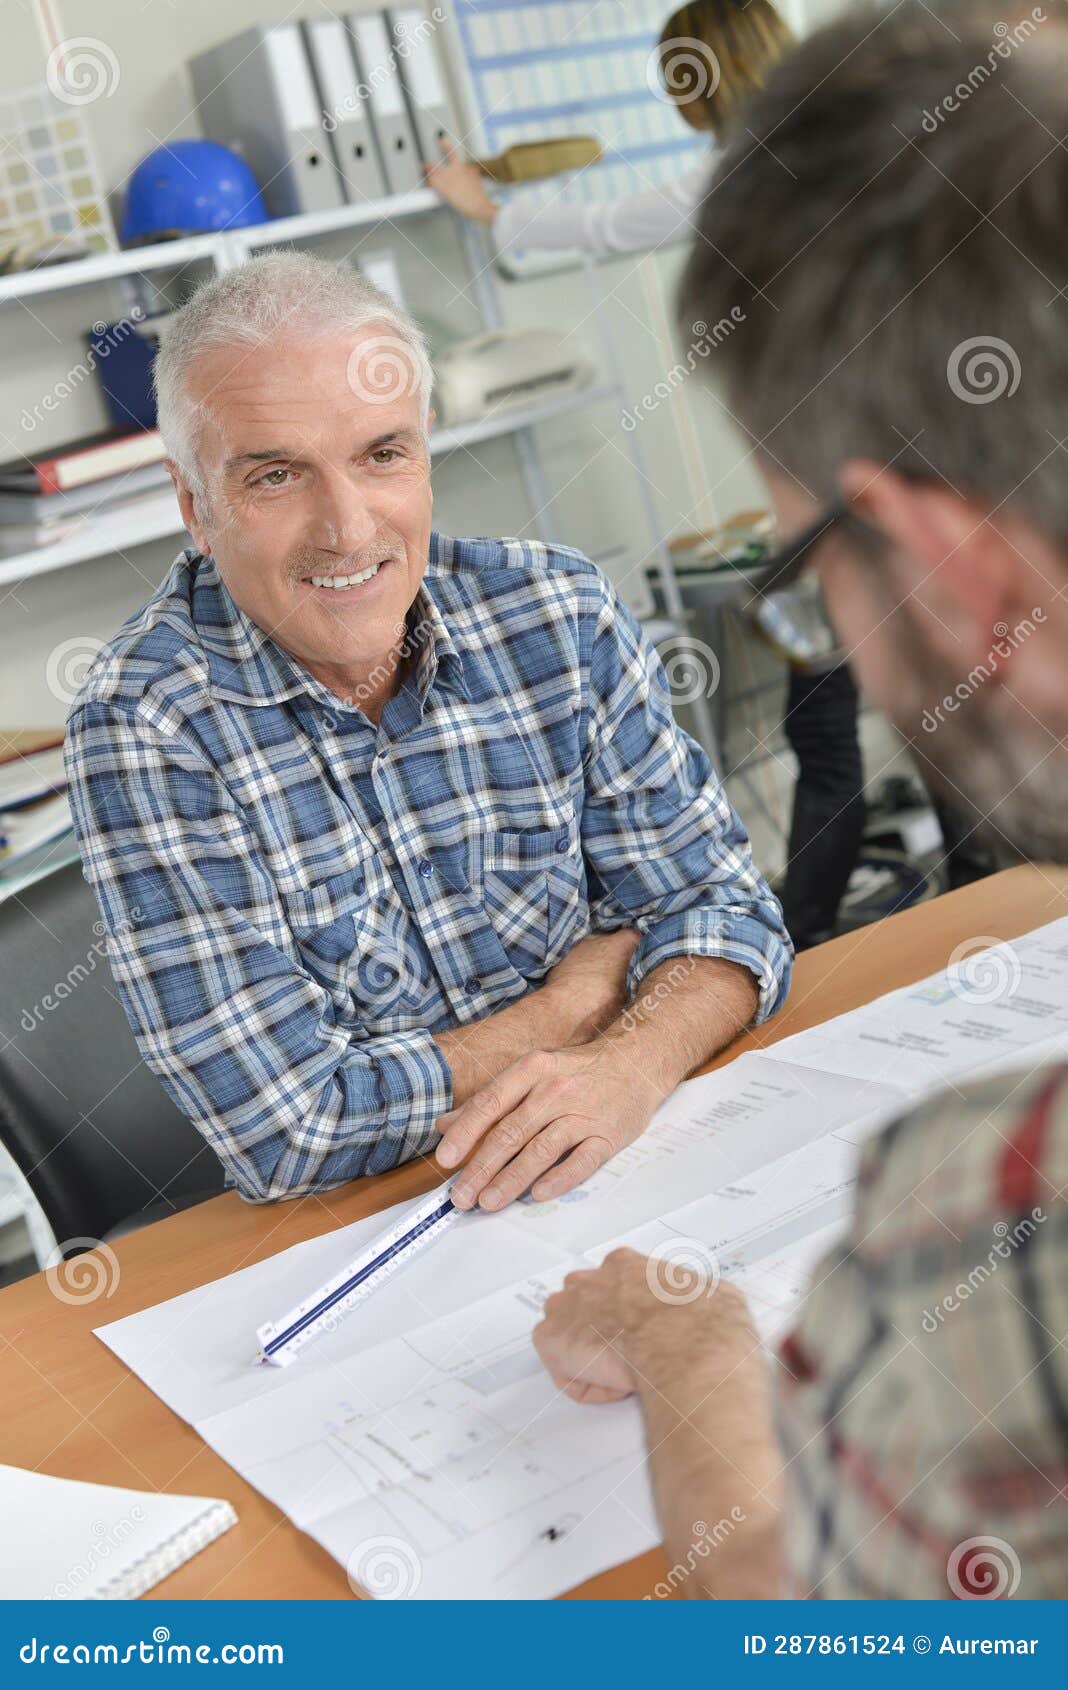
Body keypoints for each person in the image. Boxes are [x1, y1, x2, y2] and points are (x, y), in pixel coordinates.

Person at [533, 0, 1068, 1598]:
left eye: (810, 568)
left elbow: (775, 1620)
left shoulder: (979, 1228)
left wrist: (682, 1339)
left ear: (960, 563)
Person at [64, 250, 791, 1208]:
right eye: (277, 475)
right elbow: (292, 1128)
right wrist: (572, 1007)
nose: (349, 528)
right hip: (377, 1233)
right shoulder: (147, 725)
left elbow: (731, 917)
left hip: (634, 1151)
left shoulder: (553, 610)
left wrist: (632, 1067)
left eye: (382, 454)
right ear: (196, 506)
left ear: (425, 451)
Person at [426, 0, 866, 951]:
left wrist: (482, 204)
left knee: (824, 737)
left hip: (840, 501)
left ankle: (799, 946)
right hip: (887, 476)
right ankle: (980, 900)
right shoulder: (839, 149)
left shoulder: (744, 170)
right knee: (915, 712)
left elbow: (609, 221)